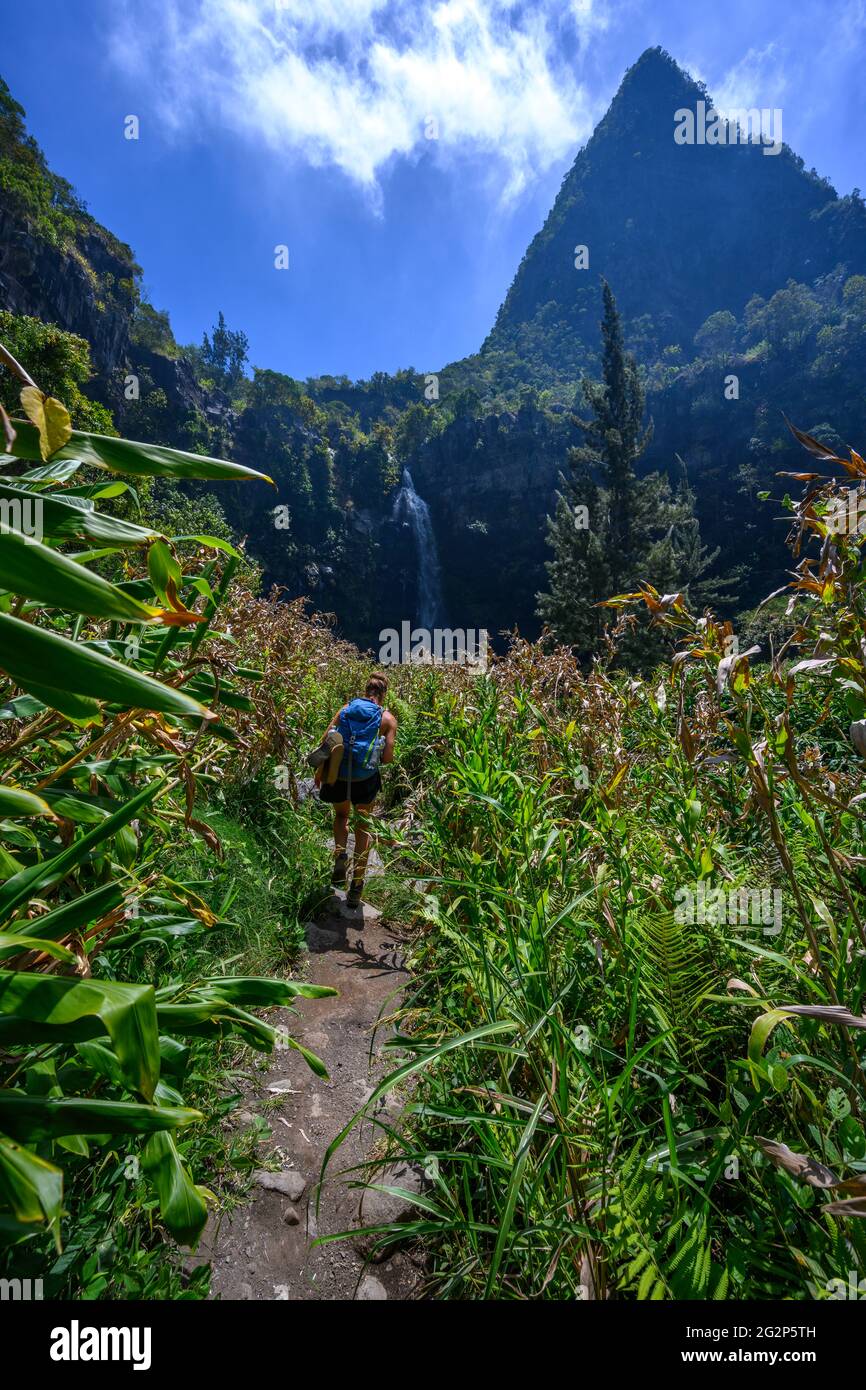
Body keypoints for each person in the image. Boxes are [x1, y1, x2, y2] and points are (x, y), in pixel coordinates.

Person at [315, 673, 397, 908]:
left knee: (341, 816)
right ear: (383, 694)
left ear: (366, 690)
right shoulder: (387, 719)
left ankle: (340, 855)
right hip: (365, 780)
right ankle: (357, 886)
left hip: (338, 775)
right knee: (363, 825)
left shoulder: (347, 709)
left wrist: (320, 773)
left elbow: (326, 741)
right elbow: (388, 758)